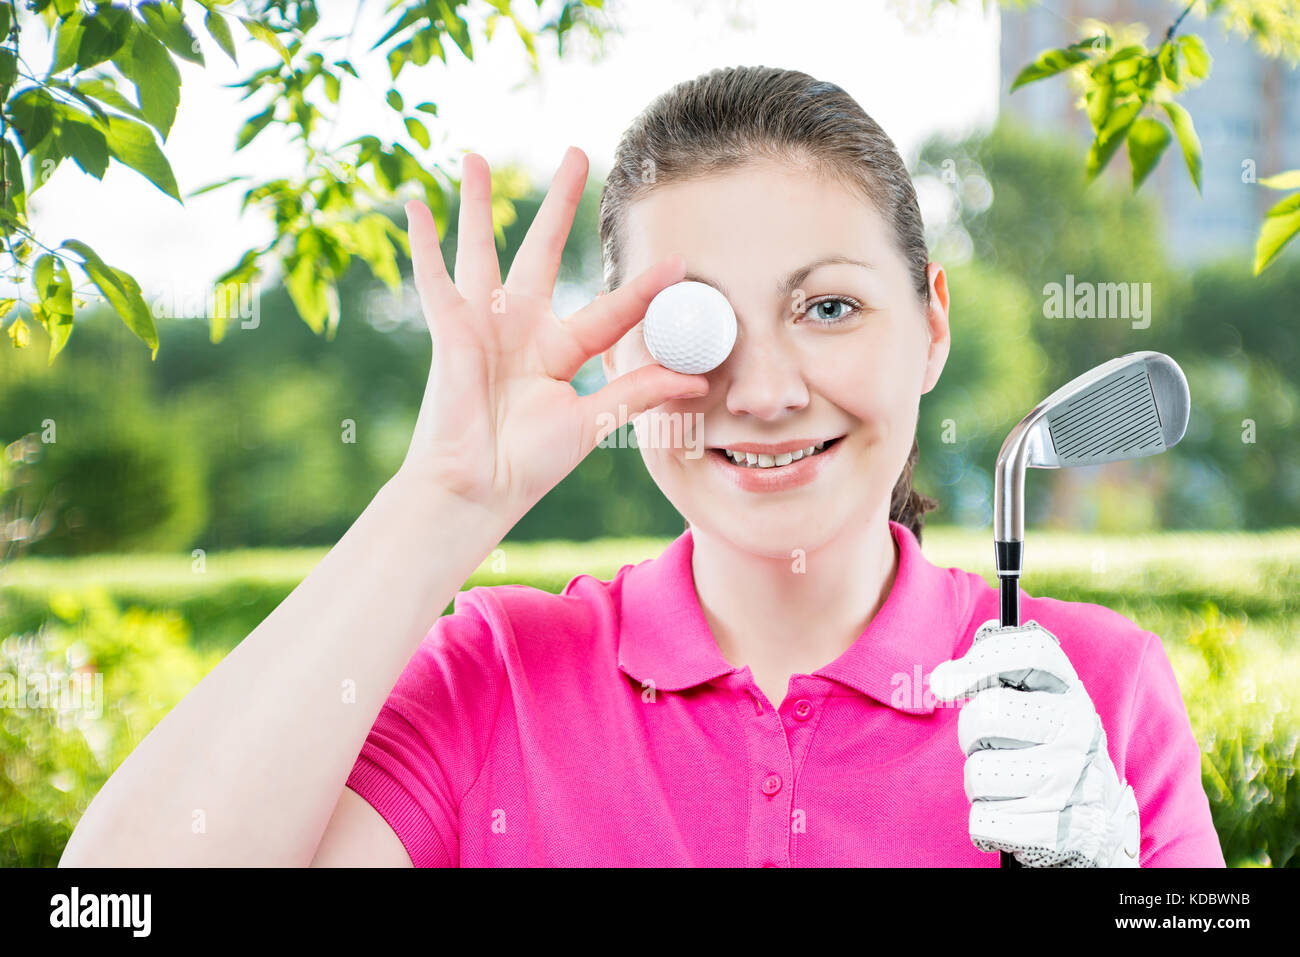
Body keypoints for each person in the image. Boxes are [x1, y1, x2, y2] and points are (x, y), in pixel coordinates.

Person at [59, 65, 1224, 868]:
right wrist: (439, 505)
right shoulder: (496, 679)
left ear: (930, 324)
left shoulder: (1092, 688)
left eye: (827, 305)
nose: (764, 391)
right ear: (623, 353)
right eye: (694, 324)